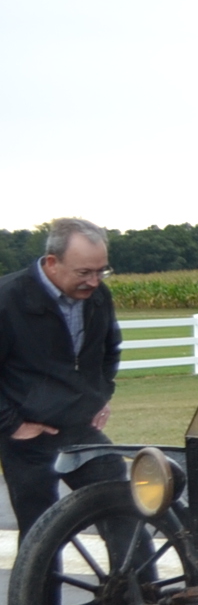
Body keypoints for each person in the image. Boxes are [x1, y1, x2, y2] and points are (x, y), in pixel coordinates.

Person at [1, 219, 122, 534]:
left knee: (123, 507)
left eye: (101, 271)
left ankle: (138, 584)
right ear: (52, 263)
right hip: (28, 437)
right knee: (41, 533)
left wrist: (99, 397)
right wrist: (12, 425)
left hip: (80, 429)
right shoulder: (8, 299)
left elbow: (110, 350)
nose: (94, 281)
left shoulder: (98, 296)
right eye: (84, 272)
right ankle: (40, 586)